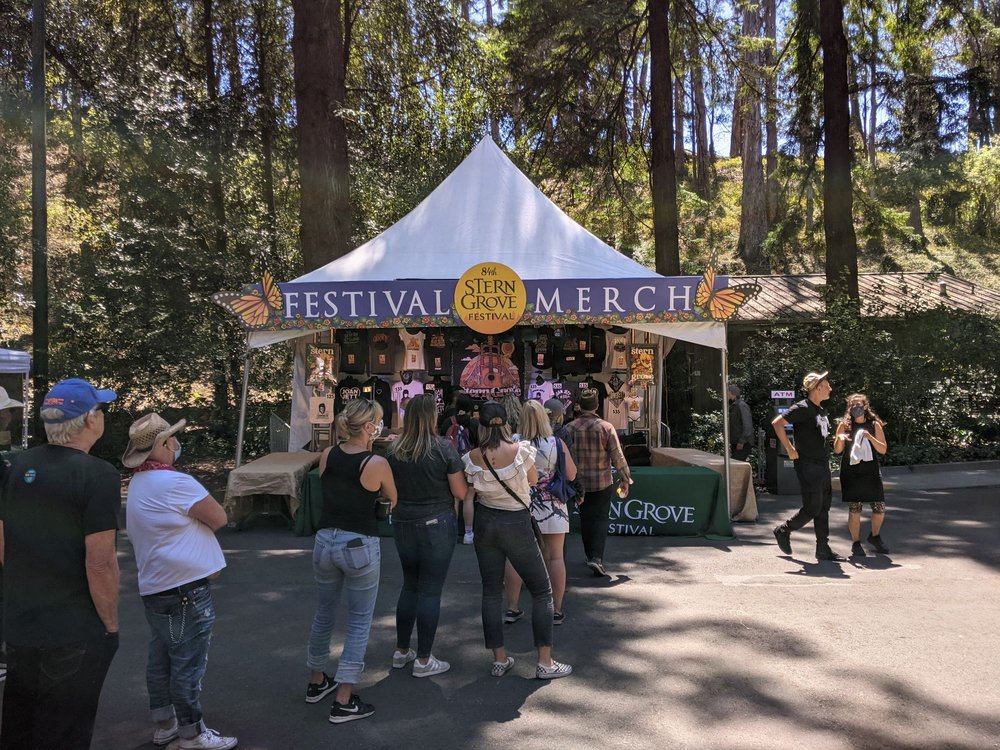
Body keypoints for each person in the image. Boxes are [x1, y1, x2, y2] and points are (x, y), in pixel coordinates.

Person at [0, 378, 120, 749]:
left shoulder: (19, 465)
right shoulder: (98, 474)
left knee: (20, 723)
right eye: (100, 410)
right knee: (64, 729)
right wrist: (110, 626)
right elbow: (99, 563)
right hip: (73, 626)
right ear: (89, 421)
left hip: (22, 618)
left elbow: (3, 540)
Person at [123, 413, 236, 750]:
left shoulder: (140, 482)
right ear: (165, 443)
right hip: (184, 591)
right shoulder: (175, 483)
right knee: (187, 662)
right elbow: (219, 517)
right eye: (173, 438)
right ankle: (192, 733)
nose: (177, 443)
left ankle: (165, 723)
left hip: (158, 586)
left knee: (162, 657)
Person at [462, 401, 572, 680]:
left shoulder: (472, 456)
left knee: (490, 592)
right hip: (516, 521)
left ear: (482, 425)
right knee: (541, 591)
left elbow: (470, 492)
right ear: (506, 422)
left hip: (486, 523)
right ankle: (544, 661)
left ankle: (499, 658)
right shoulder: (522, 452)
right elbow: (533, 481)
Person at [305, 399, 396, 724]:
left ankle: (317, 680)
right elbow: (392, 498)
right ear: (370, 426)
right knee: (358, 621)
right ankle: (344, 698)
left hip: (325, 540)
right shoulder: (375, 462)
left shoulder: (328, 453)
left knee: (324, 612)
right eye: (380, 420)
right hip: (359, 543)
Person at [386, 394, 468, 678]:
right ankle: (423, 659)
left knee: (409, 586)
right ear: (432, 417)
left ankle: (401, 650)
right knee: (430, 590)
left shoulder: (394, 450)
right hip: (436, 523)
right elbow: (460, 492)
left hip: (403, 522)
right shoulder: (444, 449)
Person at [504, 400, 577, 626]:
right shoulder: (556, 442)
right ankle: (555, 610)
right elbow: (572, 475)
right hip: (553, 505)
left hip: (521, 505)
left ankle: (512, 608)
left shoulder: (513, 443)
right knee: (555, 557)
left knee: (515, 558)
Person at [772, 371, 845, 561]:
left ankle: (823, 548)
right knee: (813, 507)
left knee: (823, 507)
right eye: (827, 385)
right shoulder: (802, 408)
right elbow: (777, 424)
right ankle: (783, 530)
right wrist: (789, 448)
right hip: (807, 464)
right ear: (817, 387)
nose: (830, 388)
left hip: (822, 463)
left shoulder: (821, 410)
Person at [566, 389, 631, 577]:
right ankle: (596, 557)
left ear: (580, 406)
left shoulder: (570, 428)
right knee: (600, 518)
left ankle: (590, 555)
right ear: (596, 406)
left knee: (586, 518)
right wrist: (625, 477)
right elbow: (617, 456)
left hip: (578, 482)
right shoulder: (606, 427)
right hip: (601, 481)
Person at [834, 394, 890, 557]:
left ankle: (875, 536)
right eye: (853, 405)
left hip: (870, 469)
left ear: (865, 407)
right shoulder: (844, 425)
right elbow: (837, 450)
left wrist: (869, 437)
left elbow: (883, 449)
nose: (856, 408)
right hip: (851, 470)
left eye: (859, 405)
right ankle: (855, 542)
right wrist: (840, 439)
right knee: (855, 508)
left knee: (879, 507)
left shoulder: (874, 425)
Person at [438, 392, 477, 543]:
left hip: (450, 464)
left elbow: (442, 441)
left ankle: (452, 532)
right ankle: (468, 533)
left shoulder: (448, 421)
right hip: (469, 465)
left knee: (454, 499)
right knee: (468, 498)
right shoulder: (474, 423)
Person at [727, 384, 754, 461]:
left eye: (727, 392)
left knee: (736, 464)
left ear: (733, 393)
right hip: (736, 442)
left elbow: (747, 425)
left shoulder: (741, 406)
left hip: (743, 443)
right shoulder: (734, 406)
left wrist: (742, 441)